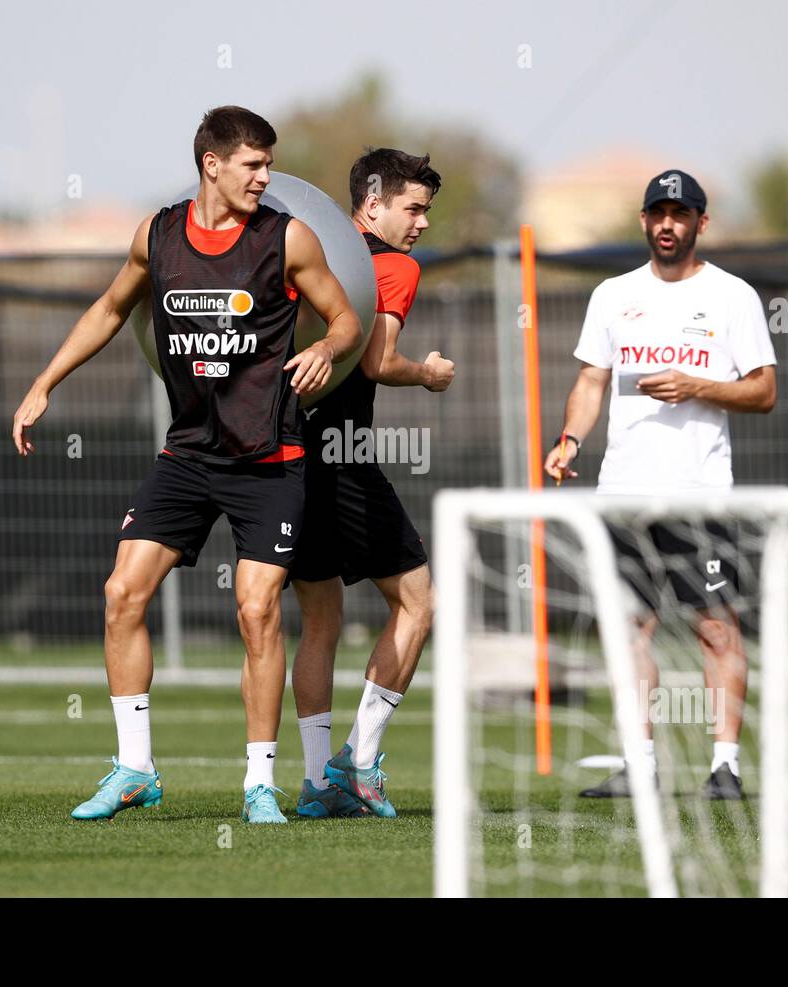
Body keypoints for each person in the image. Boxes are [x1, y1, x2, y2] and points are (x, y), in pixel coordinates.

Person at [11, 106, 362, 824]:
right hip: (189, 453)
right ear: (212, 165)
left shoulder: (286, 239)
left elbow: (349, 316)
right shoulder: (157, 234)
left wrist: (327, 347)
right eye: (253, 166)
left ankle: (259, 783)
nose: (266, 177)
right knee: (121, 593)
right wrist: (45, 383)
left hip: (272, 458)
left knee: (257, 608)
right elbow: (109, 310)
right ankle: (135, 768)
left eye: (269, 164)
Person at [545, 169, 777, 800]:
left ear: (702, 222)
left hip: (699, 494)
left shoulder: (734, 297)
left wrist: (697, 385)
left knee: (715, 627)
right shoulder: (612, 295)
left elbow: (764, 391)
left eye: (681, 214)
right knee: (628, 631)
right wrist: (570, 440)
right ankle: (637, 765)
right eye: (657, 213)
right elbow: (591, 382)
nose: (668, 224)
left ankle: (725, 766)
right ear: (644, 221)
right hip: (624, 494)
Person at [289, 149, 453, 818]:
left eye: (426, 212)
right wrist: (431, 373)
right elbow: (380, 362)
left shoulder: (309, 252)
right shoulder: (393, 266)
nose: (420, 225)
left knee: (320, 619)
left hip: (289, 456)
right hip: (345, 456)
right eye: (412, 209)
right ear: (373, 202)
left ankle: (313, 779)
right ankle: (360, 761)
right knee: (420, 603)